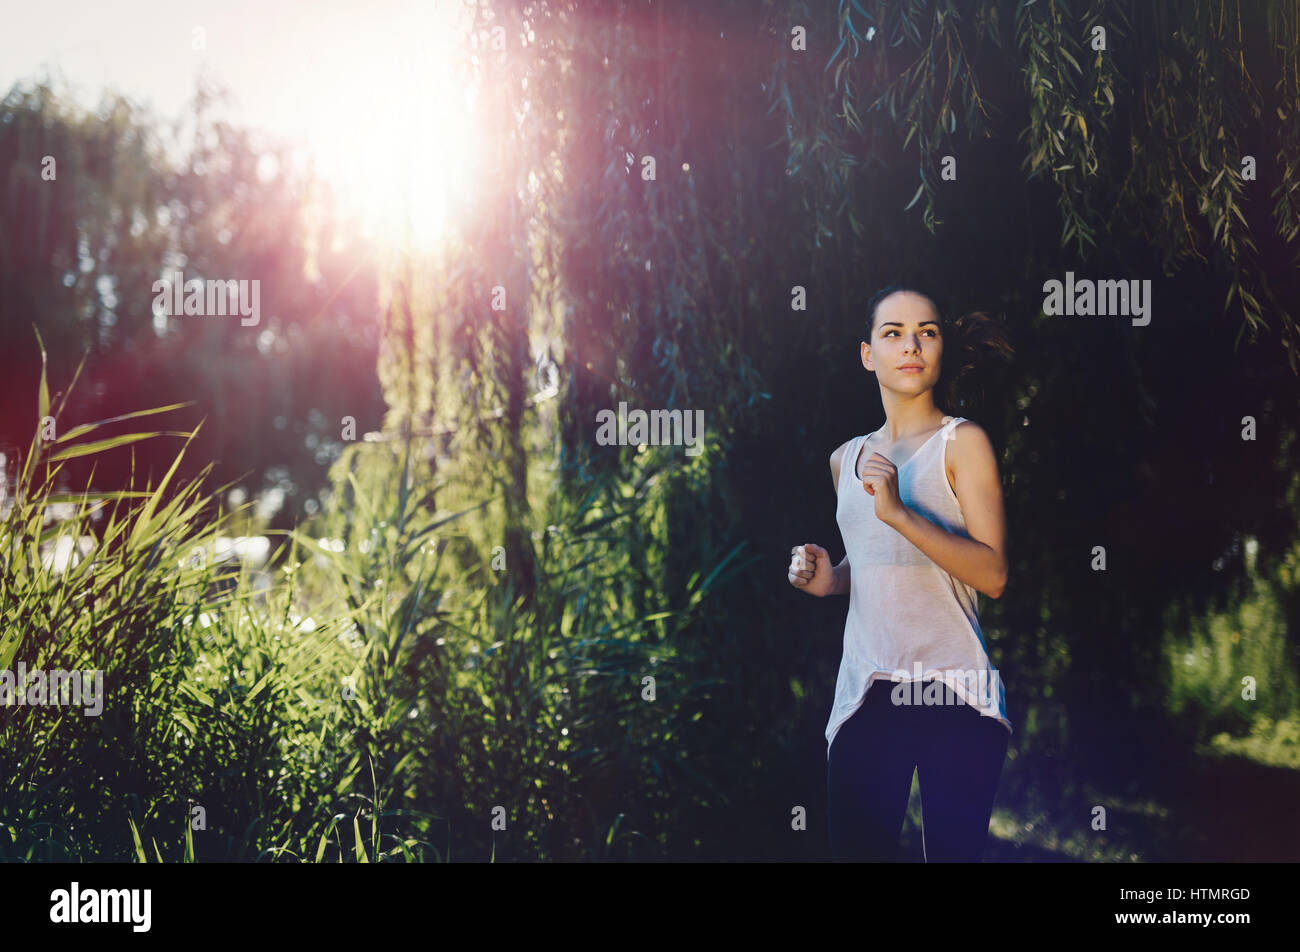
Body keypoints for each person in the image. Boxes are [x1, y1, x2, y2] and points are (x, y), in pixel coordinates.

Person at [787, 285, 1014, 862]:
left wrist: (898, 512)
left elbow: (992, 574)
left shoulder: (963, 444)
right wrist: (830, 578)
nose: (910, 345)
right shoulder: (846, 459)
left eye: (926, 332)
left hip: (955, 691)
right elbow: (872, 568)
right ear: (868, 354)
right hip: (868, 691)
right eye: (892, 333)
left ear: (939, 349)